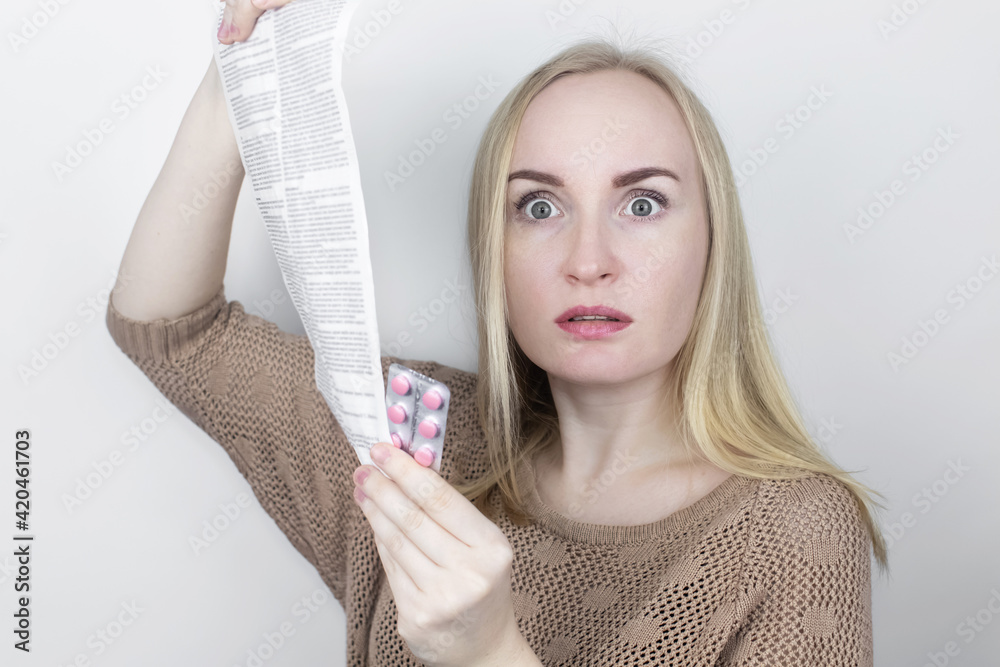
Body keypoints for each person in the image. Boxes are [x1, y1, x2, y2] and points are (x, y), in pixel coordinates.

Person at [107, 3, 889, 665]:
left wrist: (487, 651)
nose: (589, 261)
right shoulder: (415, 442)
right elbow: (172, 330)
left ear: (712, 243)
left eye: (642, 204)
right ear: (495, 250)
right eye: (539, 208)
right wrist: (238, 75)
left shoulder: (795, 534)